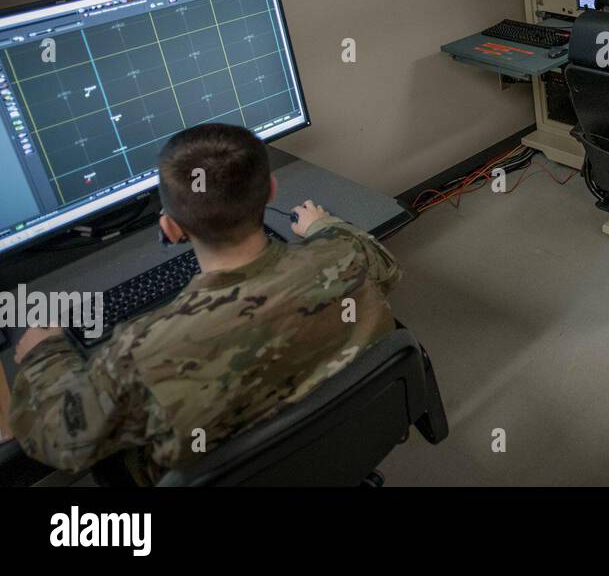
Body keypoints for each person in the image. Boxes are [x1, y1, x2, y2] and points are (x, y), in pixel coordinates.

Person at [5, 123, 401, 484]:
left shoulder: (143, 354)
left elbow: (58, 442)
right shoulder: (343, 255)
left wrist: (44, 353)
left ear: (171, 227)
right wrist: (321, 226)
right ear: (272, 190)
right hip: (343, 446)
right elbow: (384, 266)